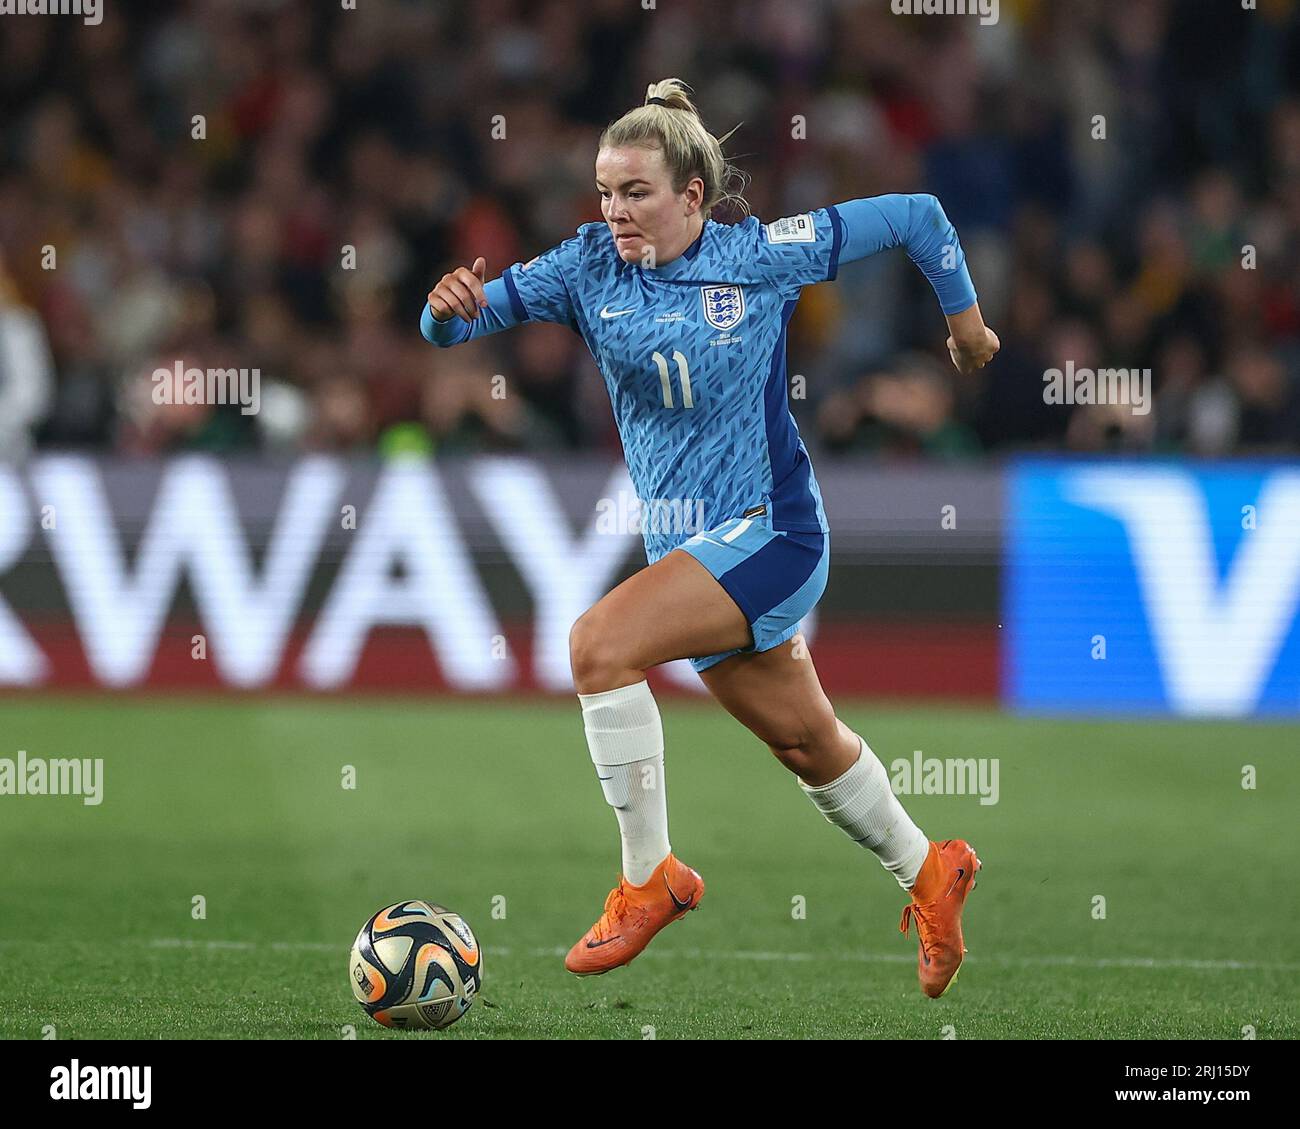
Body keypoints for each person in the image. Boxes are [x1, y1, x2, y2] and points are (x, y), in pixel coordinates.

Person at [421, 78, 999, 998]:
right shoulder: (585, 268)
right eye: (605, 192)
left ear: (692, 196)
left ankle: (651, 880)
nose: (615, 211)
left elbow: (920, 216)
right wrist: (445, 306)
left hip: (774, 533)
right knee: (810, 745)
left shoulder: (763, 256)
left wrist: (965, 326)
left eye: (637, 193)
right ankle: (933, 870)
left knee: (597, 646)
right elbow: (456, 326)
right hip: (692, 556)